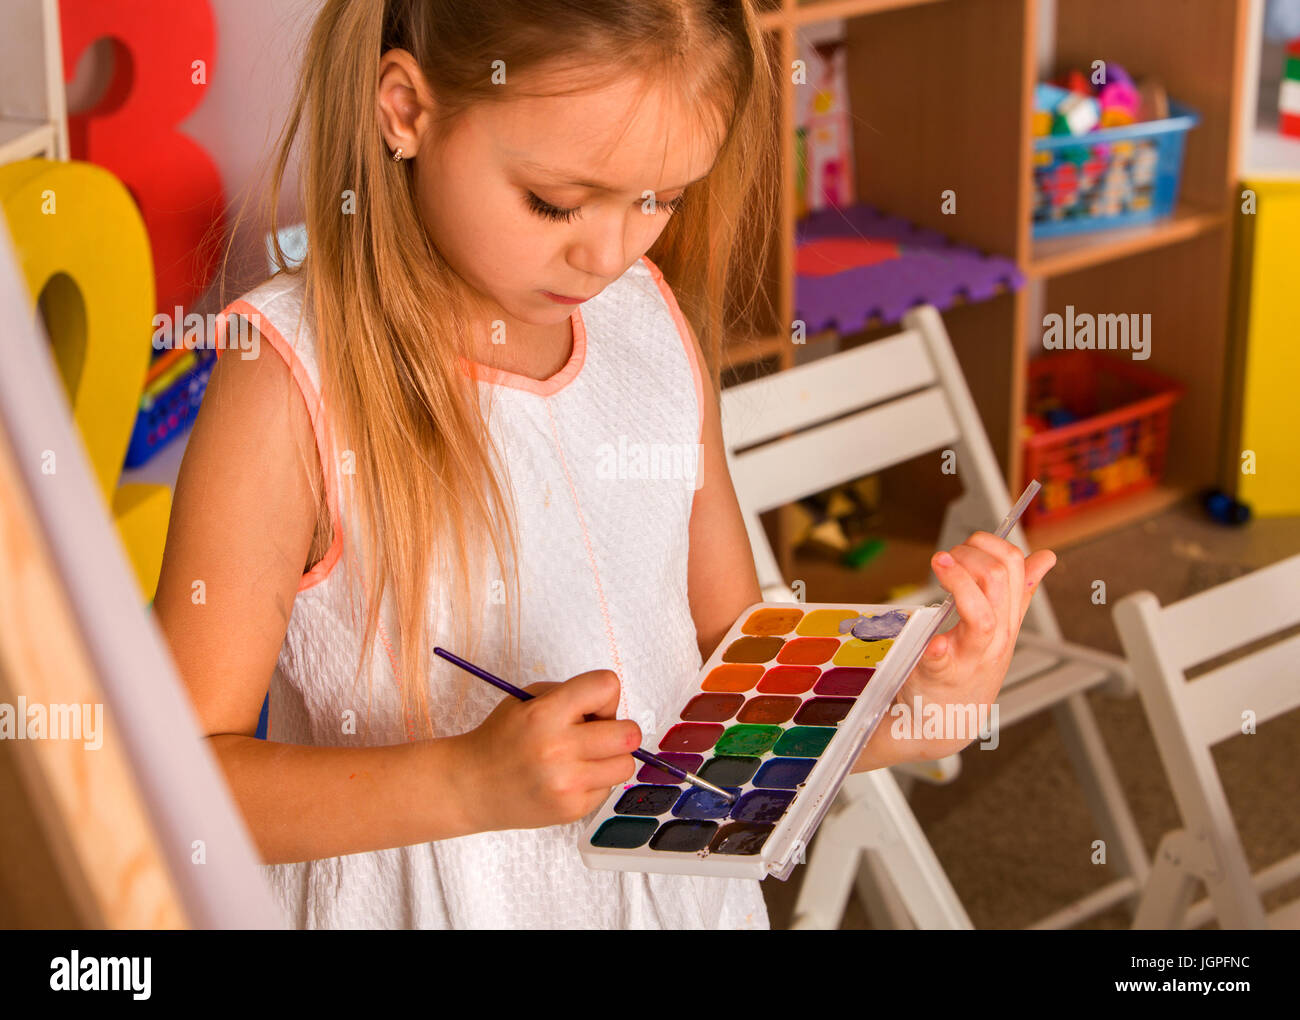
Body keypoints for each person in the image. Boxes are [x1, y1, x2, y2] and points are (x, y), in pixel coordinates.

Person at [153, 0, 1056, 930]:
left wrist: (920, 708)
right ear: (406, 110)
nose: (608, 252)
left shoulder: (646, 321)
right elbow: (174, 788)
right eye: (556, 200)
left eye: (661, 198)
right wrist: (463, 784)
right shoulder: (292, 378)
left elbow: (731, 692)